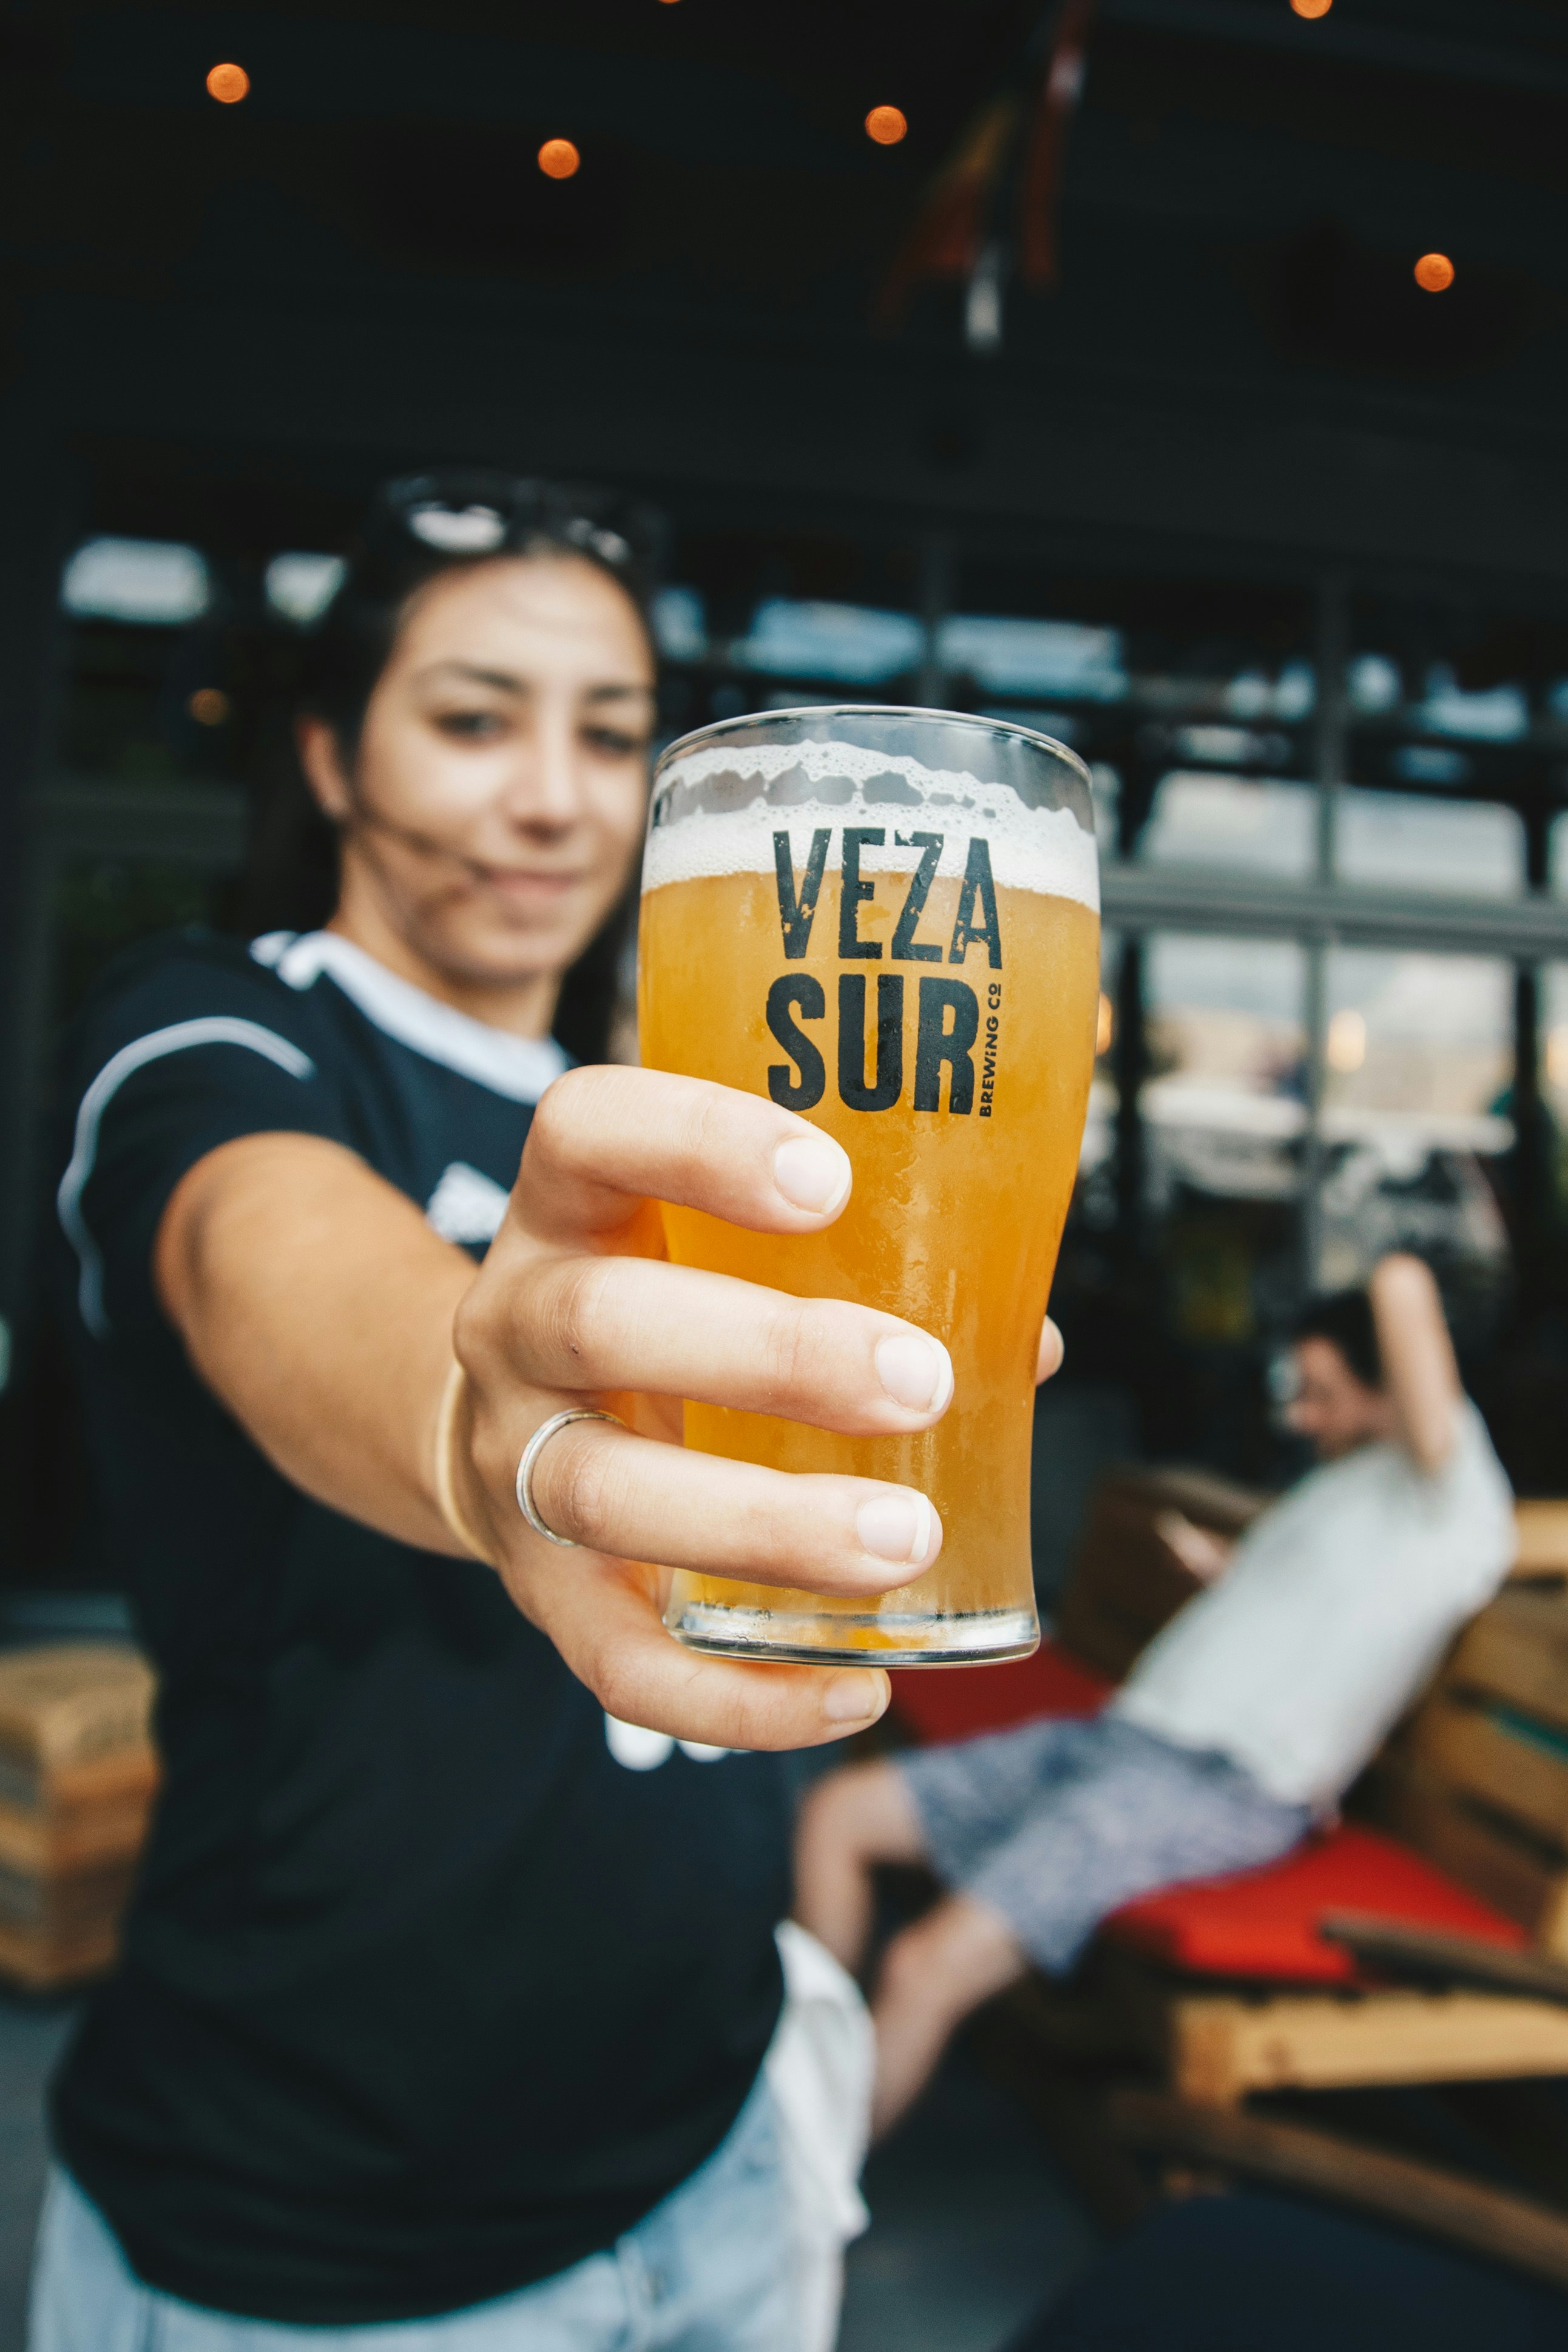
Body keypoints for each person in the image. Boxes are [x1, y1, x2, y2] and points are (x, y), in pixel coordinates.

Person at [30, 469, 1065, 2352]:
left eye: (609, 733)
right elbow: (266, 1257)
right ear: (333, 757)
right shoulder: (217, 1027)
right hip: (329, 2235)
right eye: (472, 718)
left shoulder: (706, 1078)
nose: (555, 796)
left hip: (723, 2151)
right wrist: (474, 1421)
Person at [795, 1253, 1516, 2137]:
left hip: (1212, 1784)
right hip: (1115, 1738)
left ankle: (794, 2206)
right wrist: (1230, 1570)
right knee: (839, 1814)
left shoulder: (1454, 1495)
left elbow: (1402, 1285)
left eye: (1324, 1391)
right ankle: (805, 2060)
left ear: (1395, 1388)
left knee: (922, 1966)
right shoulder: (1353, 1490)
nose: (1302, 1414)